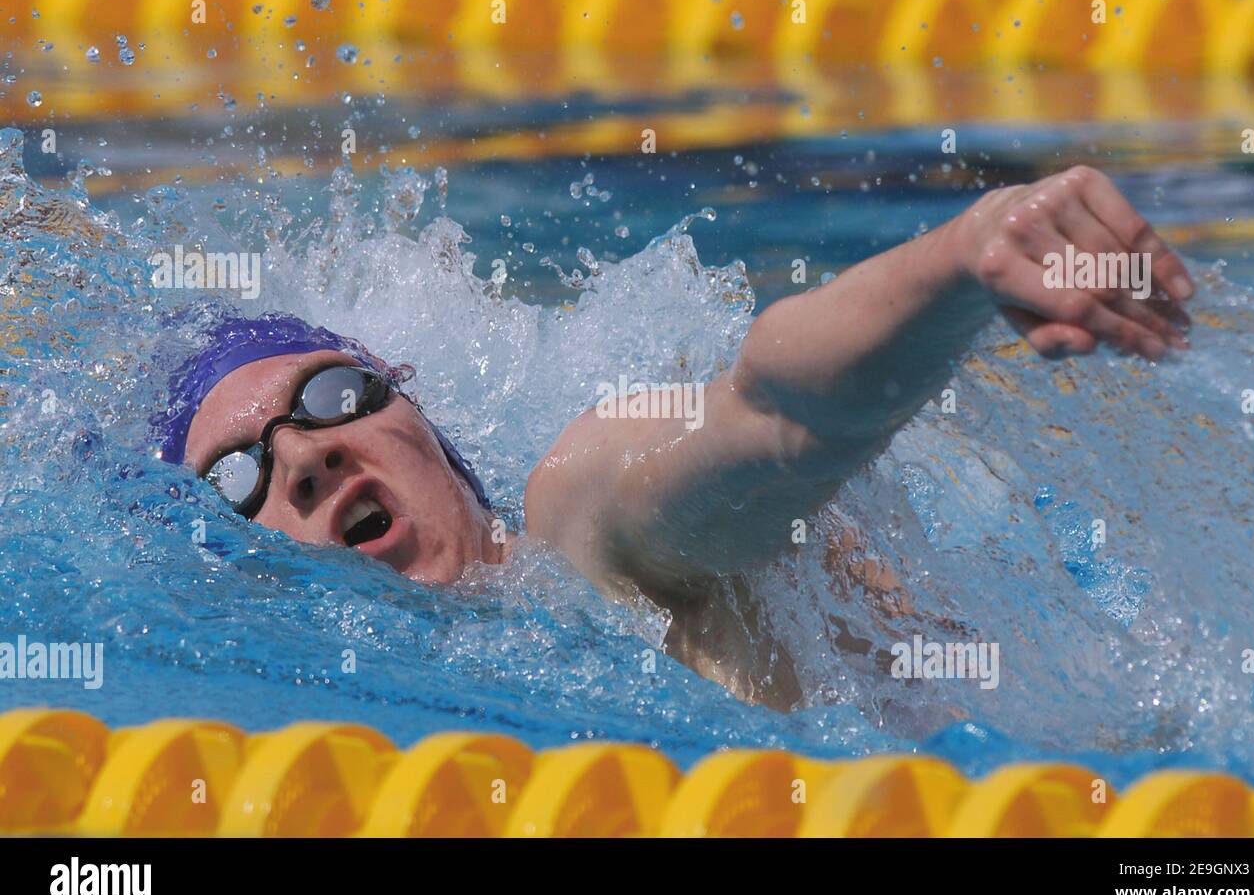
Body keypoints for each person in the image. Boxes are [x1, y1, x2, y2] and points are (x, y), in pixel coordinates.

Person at [154, 165, 1194, 708]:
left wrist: (965, 255)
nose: (303, 453)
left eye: (334, 394)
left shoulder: (583, 521)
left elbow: (773, 412)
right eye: (235, 474)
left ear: (417, 414)